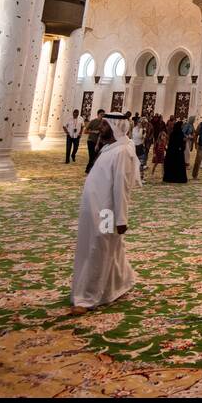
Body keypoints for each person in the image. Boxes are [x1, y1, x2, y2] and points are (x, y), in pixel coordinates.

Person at [70, 112, 139, 310]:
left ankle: (88, 296)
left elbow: (122, 186)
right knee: (110, 247)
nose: (101, 128)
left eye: (105, 125)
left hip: (106, 212)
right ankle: (122, 281)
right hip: (95, 209)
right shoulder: (111, 148)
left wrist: (121, 218)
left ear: (116, 127)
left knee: (99, 248)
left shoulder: (123, 152)